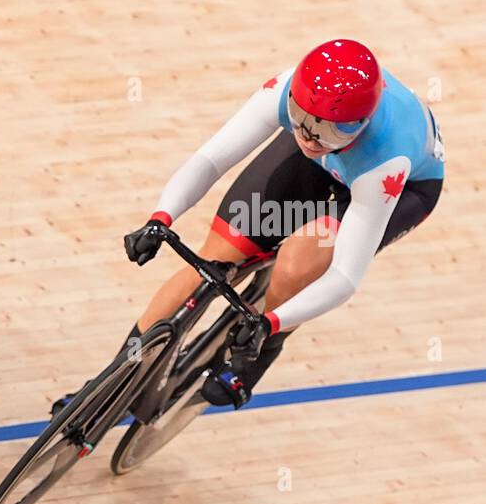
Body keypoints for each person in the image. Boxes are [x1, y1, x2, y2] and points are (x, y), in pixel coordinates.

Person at [91, 39, 444, 411]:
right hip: (331, 161)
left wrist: (271, 323)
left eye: (328, 132)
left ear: (362, 124)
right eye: (301, 121)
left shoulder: (387, 158)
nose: (309, 137)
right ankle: (111, 385)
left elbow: (344, 277)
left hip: (405, 189)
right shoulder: (289, 93)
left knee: (298, 261)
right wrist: (160, 217)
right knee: (213, 261)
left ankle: (256, 361)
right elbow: (210, 160)